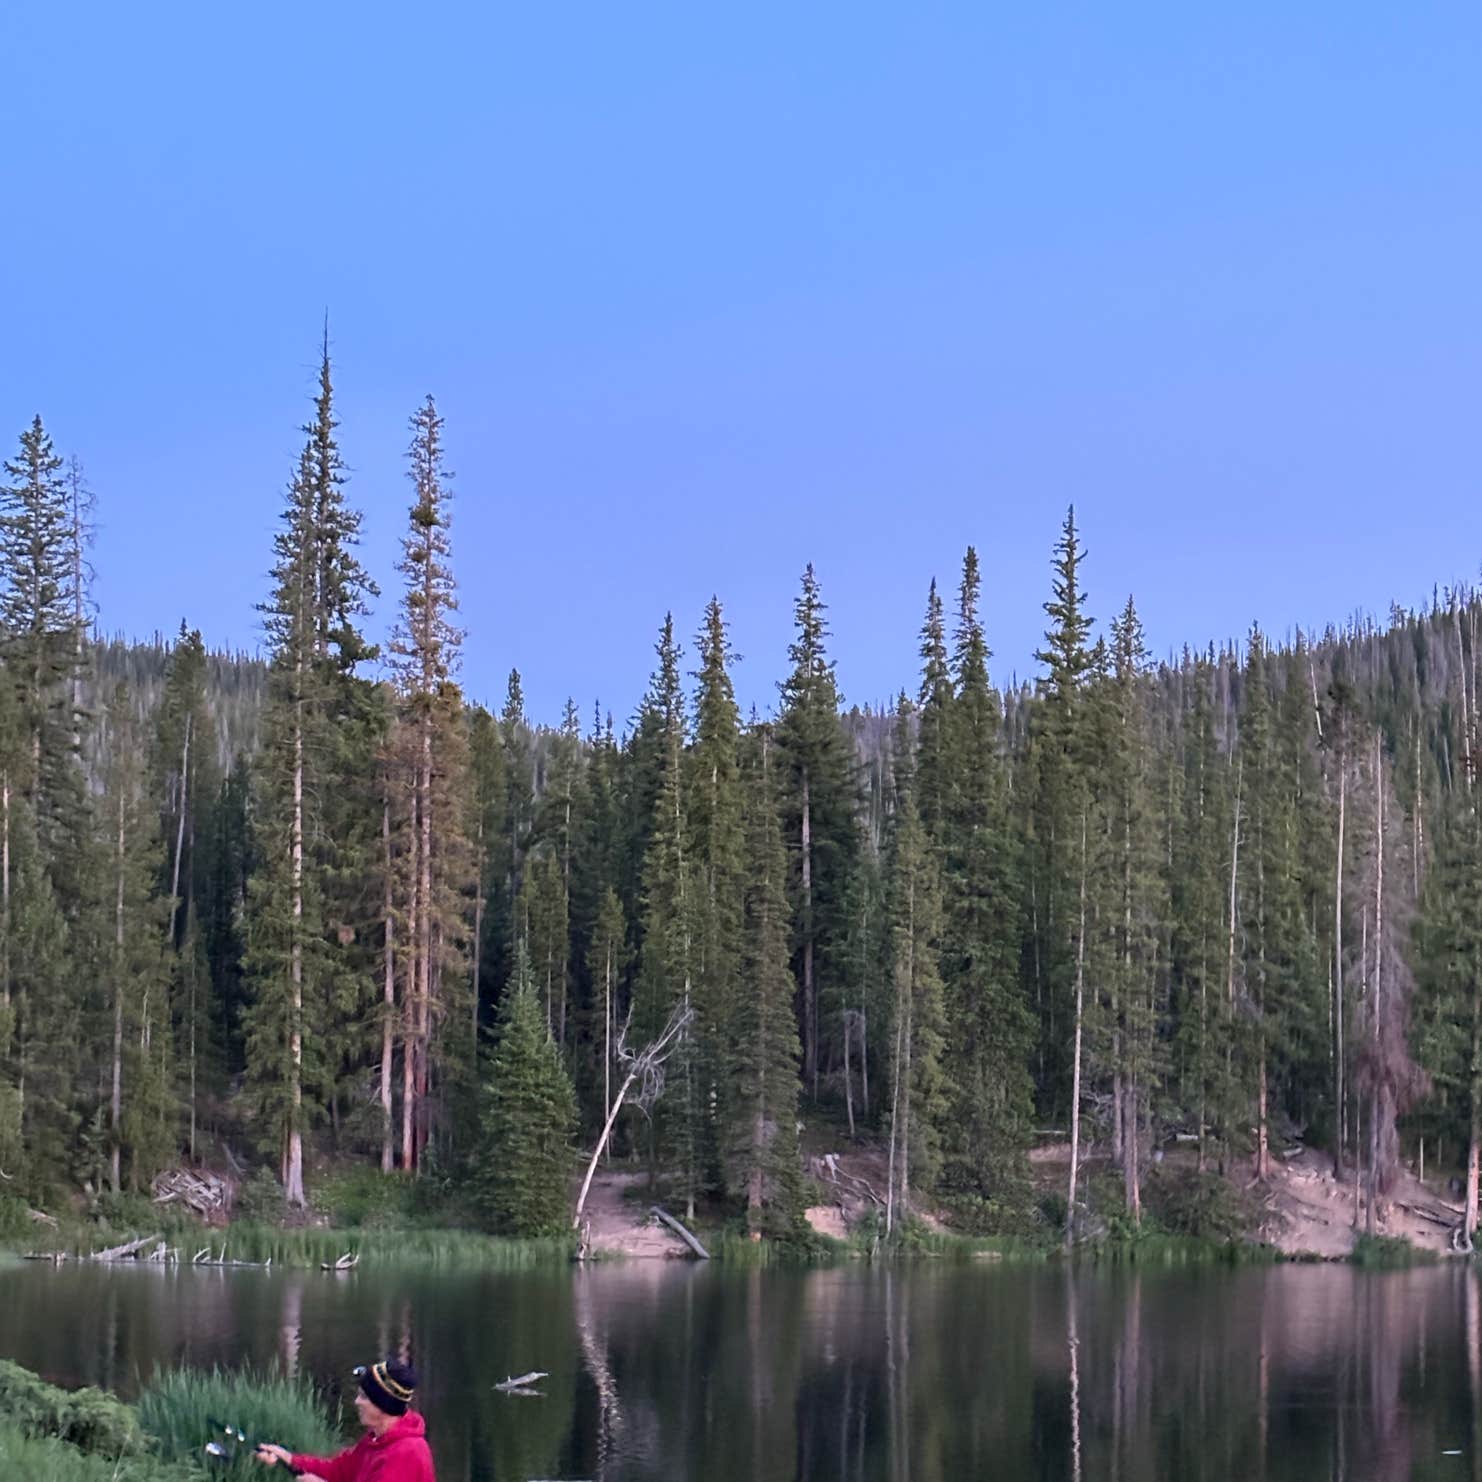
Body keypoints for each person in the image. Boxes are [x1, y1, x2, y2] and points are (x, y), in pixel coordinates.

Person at [256, 1359, 435, 1482]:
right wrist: (288, 1458)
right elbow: (338, 1471)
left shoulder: (408, 1453)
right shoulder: (375, 1440)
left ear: (383, 1404)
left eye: (364, 1397)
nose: (357, 1402)